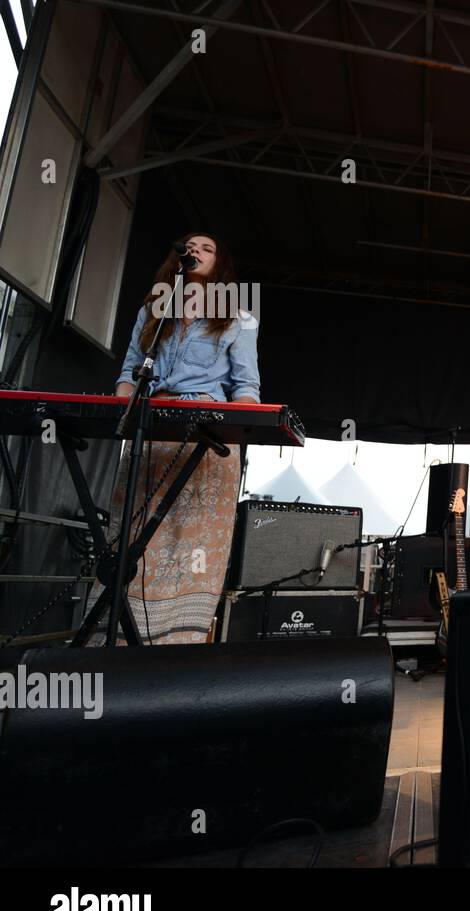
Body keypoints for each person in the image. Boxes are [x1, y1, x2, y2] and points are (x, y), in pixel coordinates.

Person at [91, 232, 261, 644]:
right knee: (134, 536)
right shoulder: (153, 310)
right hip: (151, 428)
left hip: (206, 435)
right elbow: (130, 372)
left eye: (208, 248)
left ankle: (176, 648)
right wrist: (120, 415)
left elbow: (246, 386)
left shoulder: (240, 317)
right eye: (191, 246)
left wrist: (236, 432)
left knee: (189, 543)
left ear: (221, 266)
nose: (196, 252)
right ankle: (114, 640)